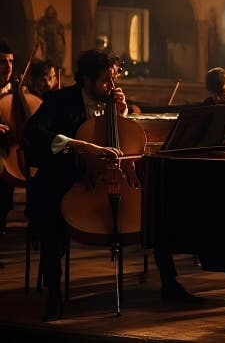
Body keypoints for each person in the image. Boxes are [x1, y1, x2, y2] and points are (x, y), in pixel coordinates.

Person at [24, 49, 202, 322]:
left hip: (113, 179)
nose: (112, 86)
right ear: (86, 79)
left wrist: (122, 114)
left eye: (114, 78)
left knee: (154, 207)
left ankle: (170, 283)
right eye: (106, 80)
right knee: (51, 209)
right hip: (71, 178)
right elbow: (34, 134)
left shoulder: (114, 101)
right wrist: (81, 144)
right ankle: (54, 293)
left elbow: (126, 141)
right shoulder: (59, 101)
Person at [0, 40, 14, 236]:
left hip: (9, 153)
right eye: (3, 62)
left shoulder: (17, 90)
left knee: (4, 201)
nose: (8, 66)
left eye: (11, 62)